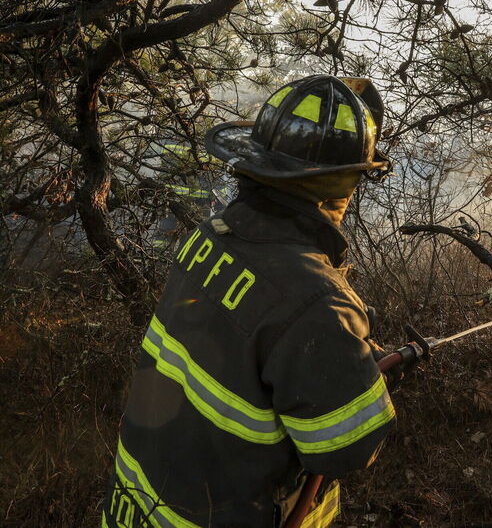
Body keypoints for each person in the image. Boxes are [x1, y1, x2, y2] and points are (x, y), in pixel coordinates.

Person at [102, 75, 398, 528]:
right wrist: (361, 380)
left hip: (136, 503)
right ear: (345, 182)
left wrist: (340, 355)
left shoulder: (212, 237)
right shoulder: (317, 302)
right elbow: (347, 450)